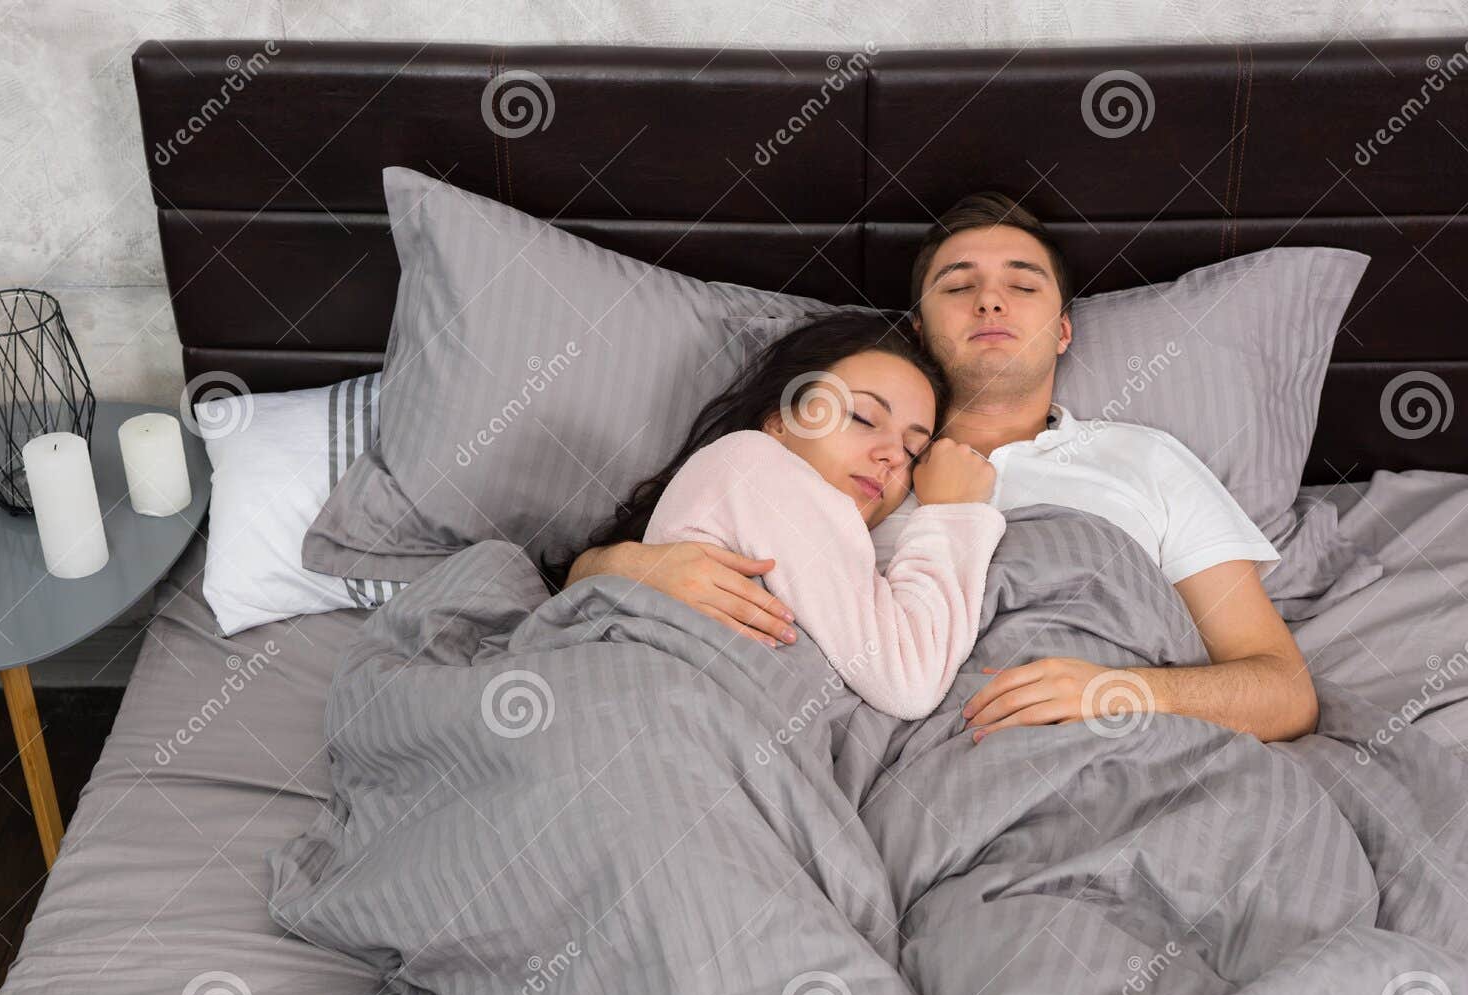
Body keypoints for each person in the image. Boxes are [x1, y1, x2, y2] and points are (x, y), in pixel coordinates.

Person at [564, 193, 1318, 743]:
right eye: (958, 285)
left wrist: (1116, 691)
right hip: (914, 767)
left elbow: (1283, 691)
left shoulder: (1144, 460)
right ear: (919, 330)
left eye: (1023, 284)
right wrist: (625, 567)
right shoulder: (858, 470)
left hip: (1135, 741)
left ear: (1062, 330)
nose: (991, 298)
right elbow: (714, 528)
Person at [613, 312, 1004, 719]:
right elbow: (909, 681)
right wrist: (952, 514)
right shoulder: (753, 462)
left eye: (912, 451)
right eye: (863, 418)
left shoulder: (841, 551)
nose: (891, 453)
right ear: (780, 421)